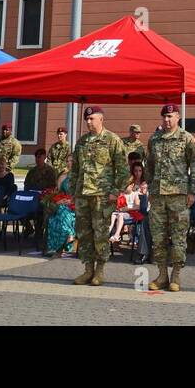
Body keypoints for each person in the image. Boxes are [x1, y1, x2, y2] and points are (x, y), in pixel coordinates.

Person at [145, 103, 195, 292]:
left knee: (178, 238)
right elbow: (149, 167)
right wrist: (151, 190)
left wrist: (192, 192)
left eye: (171, 117)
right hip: (158, 196)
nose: (167, 120)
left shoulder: (187, 139)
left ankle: (176, 276)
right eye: (165, 117)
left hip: (179, 196)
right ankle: (162, 275)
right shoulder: (154, 140)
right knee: (158, 238)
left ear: (178, 117)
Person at [70, 106, 129, 286]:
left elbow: (123, 169)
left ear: (101, 119)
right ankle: (88, 270)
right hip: (83, 196)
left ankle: (100, 271)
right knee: (85, 234)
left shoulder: (112, 140)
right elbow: (75, 170)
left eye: (92, 119)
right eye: (86, 119)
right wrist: (73, 193)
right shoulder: (81, 142)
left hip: (102, 197)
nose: (88, 122)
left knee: (100, 234)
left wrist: (115, 191)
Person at [44, 172, 76, 258]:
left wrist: (72, 200)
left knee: (63, 213)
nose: (69, 163)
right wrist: (59, 200)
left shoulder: (81, 176)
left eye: (71, 161)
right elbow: (56, 193)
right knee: (53, 218)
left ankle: (67, 237)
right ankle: (69, 235)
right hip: (63, 204)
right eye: (67, 161)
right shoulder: (63, 177)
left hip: (76, 205)